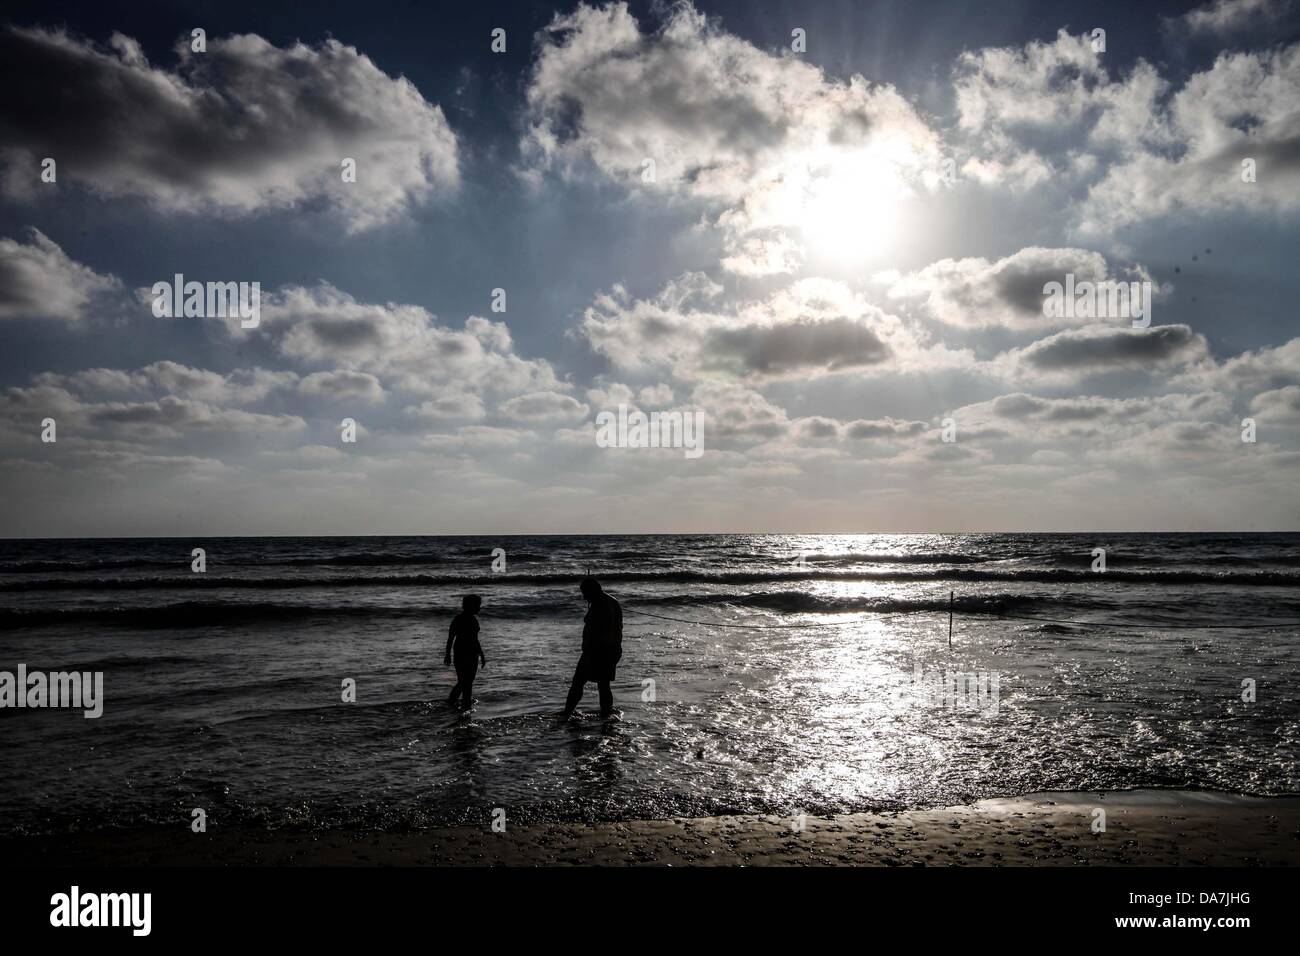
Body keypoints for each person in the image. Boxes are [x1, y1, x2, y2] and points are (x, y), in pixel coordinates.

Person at [562, 576, 622, 719]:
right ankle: (605, 715)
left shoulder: (600, 604)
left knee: (578, 682)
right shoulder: (612, 601)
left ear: (593, 591)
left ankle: (567, 713)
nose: (584, 597)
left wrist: (590, 649)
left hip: (597, 651)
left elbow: (599, 629)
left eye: (585, 593)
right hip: (612, 649)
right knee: (604, 685)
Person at [445, 595, 486, 709]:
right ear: (470, 606)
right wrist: (447, 655)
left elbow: (475, 639)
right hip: (461, 652)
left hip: (473, 653)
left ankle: (463, 704)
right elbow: (451, 638)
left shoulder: (473, 619)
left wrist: (481, 655)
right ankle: (454, 702)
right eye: (477, 605)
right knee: (464, 681)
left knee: (467, 681)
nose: (479, 608)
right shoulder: (458, 619)